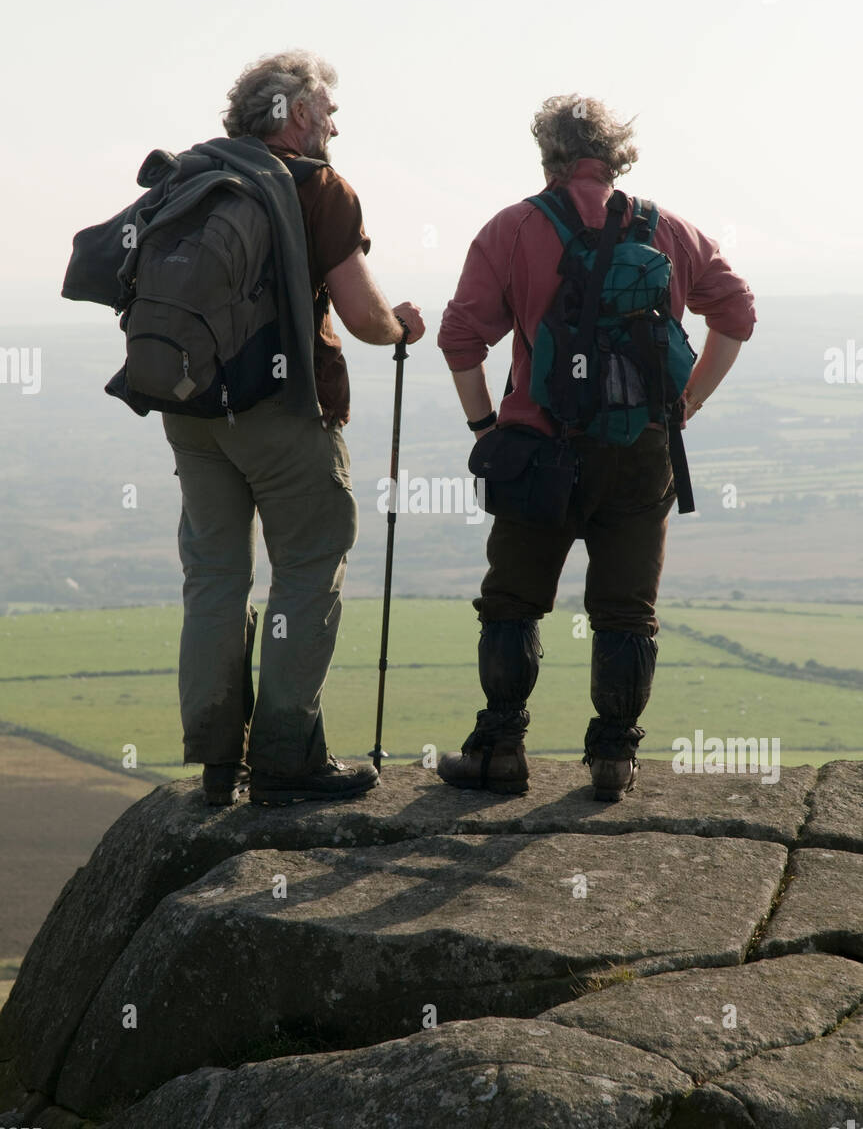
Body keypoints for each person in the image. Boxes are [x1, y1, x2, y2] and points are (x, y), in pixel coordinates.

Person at [435, 93, 754, 800]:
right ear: (616, 155)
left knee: (512, 601)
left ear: (547, 155)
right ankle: (611, 761)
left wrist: (484, 426)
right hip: (641, 448)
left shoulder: (512, 228)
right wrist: (686, 404)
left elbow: (459, 339)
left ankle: (498, 753)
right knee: (625, 608)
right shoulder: (669, 229)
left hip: (536, 448)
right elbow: (735, 316)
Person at [160, 50, 424, 806]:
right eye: (328, 111)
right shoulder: (319, 187)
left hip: (193, 411)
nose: (335, 123)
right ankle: (284, 759)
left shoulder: (193, 178)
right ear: (298, 114)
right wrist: (400, 328)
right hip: (279, 414)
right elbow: (364, 317)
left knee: (214, 578)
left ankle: (216, 762)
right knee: (306, 573)